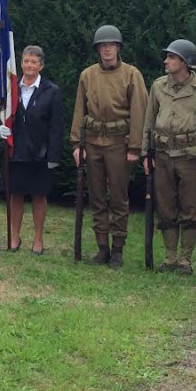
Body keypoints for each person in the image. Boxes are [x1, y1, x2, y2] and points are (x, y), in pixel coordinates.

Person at [142, 39, 196, 274]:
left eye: (172, 57)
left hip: (192, 156)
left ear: (186, 62)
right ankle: (169, 258)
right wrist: (146, 153)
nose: (166, 61)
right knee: (166, 207)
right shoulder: (158, 86)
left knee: (190, 208)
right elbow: (149, 121)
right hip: (163, 155)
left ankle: (185, 260)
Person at [70, 25, 147, 268]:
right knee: (97, 197)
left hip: (118, 144)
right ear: (98, 49)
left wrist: (135, 147)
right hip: (92, 142)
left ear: (118, 47)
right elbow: (79, 110)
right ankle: (102, 247)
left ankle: (118, 249)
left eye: (111, 45)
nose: (107, 49)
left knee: (118, 197)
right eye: (103, 46)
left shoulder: (132, 74)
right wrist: (76, 143)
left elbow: (139, 111)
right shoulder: (87, 75)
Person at [0, 45, 63, 255]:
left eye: (34, 62)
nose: (29, 66)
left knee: (39, 195)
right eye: (26, 61)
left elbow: (56, 126)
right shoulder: (11, 89)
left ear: (41, 65)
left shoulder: (51, 91)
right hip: (16, 152)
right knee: (16, 195)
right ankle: (15, 236)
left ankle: (38, 239)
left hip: (41, 154)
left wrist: (53, 155)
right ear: (21, 63)